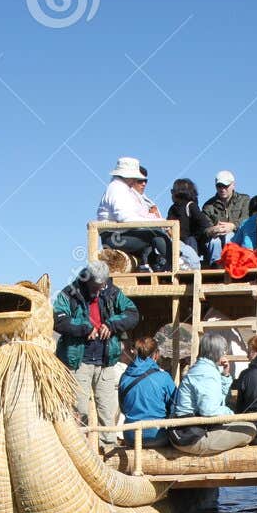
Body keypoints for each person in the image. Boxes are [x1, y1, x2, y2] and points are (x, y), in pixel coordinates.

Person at [53, 261, 140, 445]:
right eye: (96, 286)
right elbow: (59, 320)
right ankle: (80, 448)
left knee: (107, 409)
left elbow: (132, 313)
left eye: (102, 285)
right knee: (79, 409)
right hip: (78, 361)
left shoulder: (112, 291)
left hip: (105, 360)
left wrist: (112, 324)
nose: (100, 290)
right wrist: (84, 328)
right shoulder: (70, 294)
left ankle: (108, 447)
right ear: (87, 280)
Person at [169, 334, 256, 455]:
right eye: (224, 351)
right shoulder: (207, 373)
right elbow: (209, 411)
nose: (225, 354)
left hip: (184, 432)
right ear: (217, 352)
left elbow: (217, 398)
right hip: (191, 438)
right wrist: (232, 415)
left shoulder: (201, 368)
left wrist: (225, 375)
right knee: (250, 429)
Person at [96, 156, 172, 272]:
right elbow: (125, 218)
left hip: (119, 234)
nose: (137, 180)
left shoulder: (121, 188)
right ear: (128, 175)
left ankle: (155, 265)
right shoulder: (117, 189)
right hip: (113, 238)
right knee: (156, 234)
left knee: (152, 234)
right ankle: (175, 263)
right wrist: (157, 222)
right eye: (136, 177)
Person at [118, 336, 177, 446]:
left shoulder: (124, 377)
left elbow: (123, 407)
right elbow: (175, 405)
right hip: (156, 434)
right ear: (156, 354)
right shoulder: (164, 377)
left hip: (131, 435)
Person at [201, 170, 249, 263]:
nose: (222, 189)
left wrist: (233, 226)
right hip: (216, 240)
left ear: (233, 185)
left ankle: (231, 266)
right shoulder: (208, 205)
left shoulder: (244, 200)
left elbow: (247, 220)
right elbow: (203, 228)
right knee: (214, 242)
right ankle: (216, 270)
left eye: (226, 186)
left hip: (238, 239)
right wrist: (212, 230)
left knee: (229, 237)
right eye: (219, 186)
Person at [167, 177, 213, 270]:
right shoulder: (172, 208)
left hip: (190, 243)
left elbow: (204, 224)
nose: (171, 194)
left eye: (172, 191)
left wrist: (194, 237)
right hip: (177, 243)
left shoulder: (191, 206)